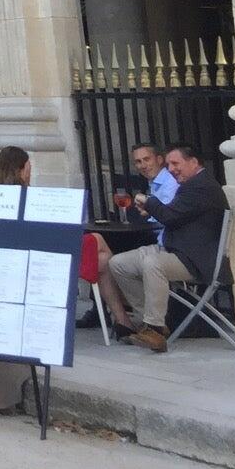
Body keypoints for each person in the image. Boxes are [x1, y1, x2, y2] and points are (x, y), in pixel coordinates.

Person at [106, 142, 230, 353]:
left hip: (194, 259)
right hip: (174, 249)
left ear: (193, 162)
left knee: (153, 263)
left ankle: (153, 328)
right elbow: (172, 214)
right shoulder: (189, 185)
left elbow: (169, 216)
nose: (172, 169)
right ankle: (151, 323)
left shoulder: (201, 186)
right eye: (170, 164)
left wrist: (148, 201)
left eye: (176, 163)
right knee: (118, 263)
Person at [89, 143, 177, 333]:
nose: (142, 165)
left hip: (162, 240)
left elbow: (167, 215)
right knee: (102, 254)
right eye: (138, 162)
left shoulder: (169, 183)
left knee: (105, 251)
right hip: (152, 235)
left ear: (159, 160)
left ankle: (122, 315)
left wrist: (148, 211)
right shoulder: (154, 183)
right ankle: (117, 315)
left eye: (147, 159)